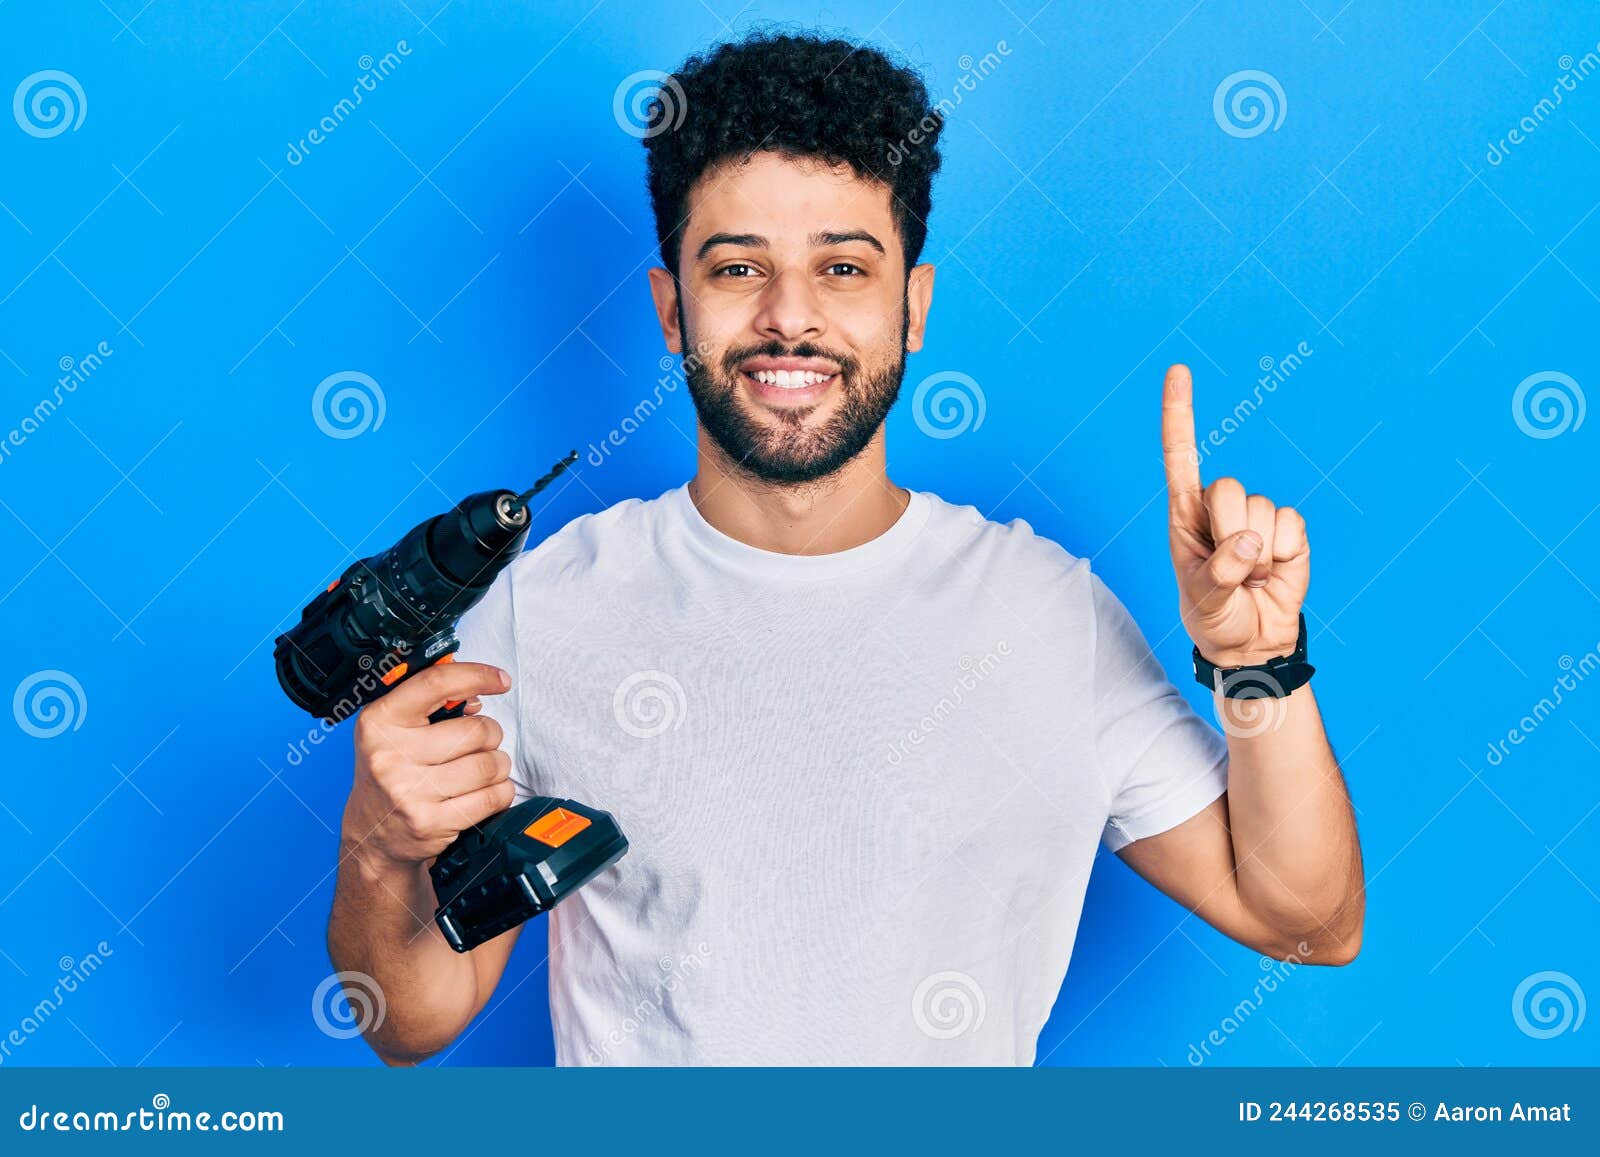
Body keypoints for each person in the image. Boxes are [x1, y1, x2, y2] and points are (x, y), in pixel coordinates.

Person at [327, 30, 1363, 1066]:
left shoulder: (1047, 611)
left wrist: (1255, 664)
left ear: (913, 307)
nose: (790, 317)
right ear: (671, 309)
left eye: (843, 268)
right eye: (738, 267)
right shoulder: (538, 612)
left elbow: (1309, 924)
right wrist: (377, 845)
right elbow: (411, 1020)